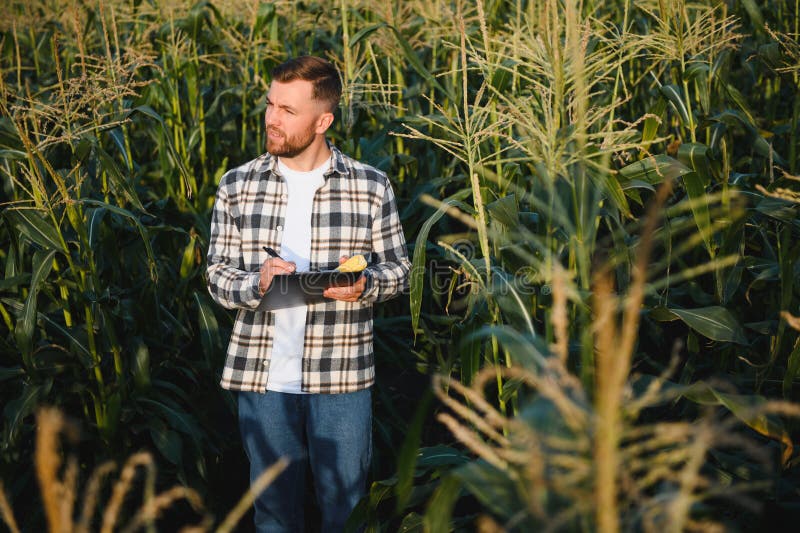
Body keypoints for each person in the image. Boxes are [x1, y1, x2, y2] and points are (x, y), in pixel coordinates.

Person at [206, 55, 410, 532]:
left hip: (341, 378)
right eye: (270, 104)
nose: (272, 119)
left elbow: (400, 271)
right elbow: (216, 275)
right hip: (263, 379)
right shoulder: (237, 185)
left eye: (287, 111)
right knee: (274, 516)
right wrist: (254, 282)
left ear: (324, 121)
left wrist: (365, 285)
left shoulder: (369, 187)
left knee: (347, 512)